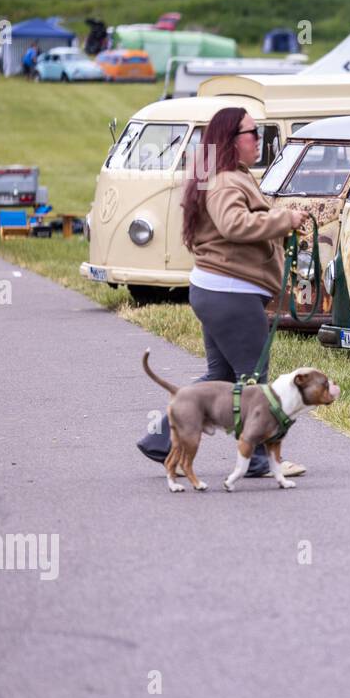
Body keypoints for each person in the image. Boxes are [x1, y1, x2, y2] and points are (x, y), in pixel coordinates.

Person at [137, 107, 308, 479]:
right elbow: (234, 224)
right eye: (252, 132)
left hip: (215, 290)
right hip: (233, 294)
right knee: (253, 381)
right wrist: (285, 219)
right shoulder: (228, 180)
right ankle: (261, 461)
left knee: (222, 373)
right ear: (232, 139)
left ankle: (160, 438)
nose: (258, 139)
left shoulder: (218, 175)